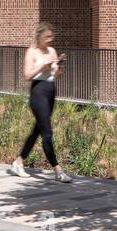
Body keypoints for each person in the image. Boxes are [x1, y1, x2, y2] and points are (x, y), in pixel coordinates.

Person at [8, 22, 72, 182]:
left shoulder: (52, 51)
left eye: (52, 36)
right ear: (40, 36)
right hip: (38, 94)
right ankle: (58, 171)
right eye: (47, 37)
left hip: (50, 92)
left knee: (37, 130)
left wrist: (58, 68)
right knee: (47, 133)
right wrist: (43, 66)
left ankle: (18, 162)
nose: (50, 40)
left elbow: (54, 75)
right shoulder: (32, 52)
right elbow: (27, 76)